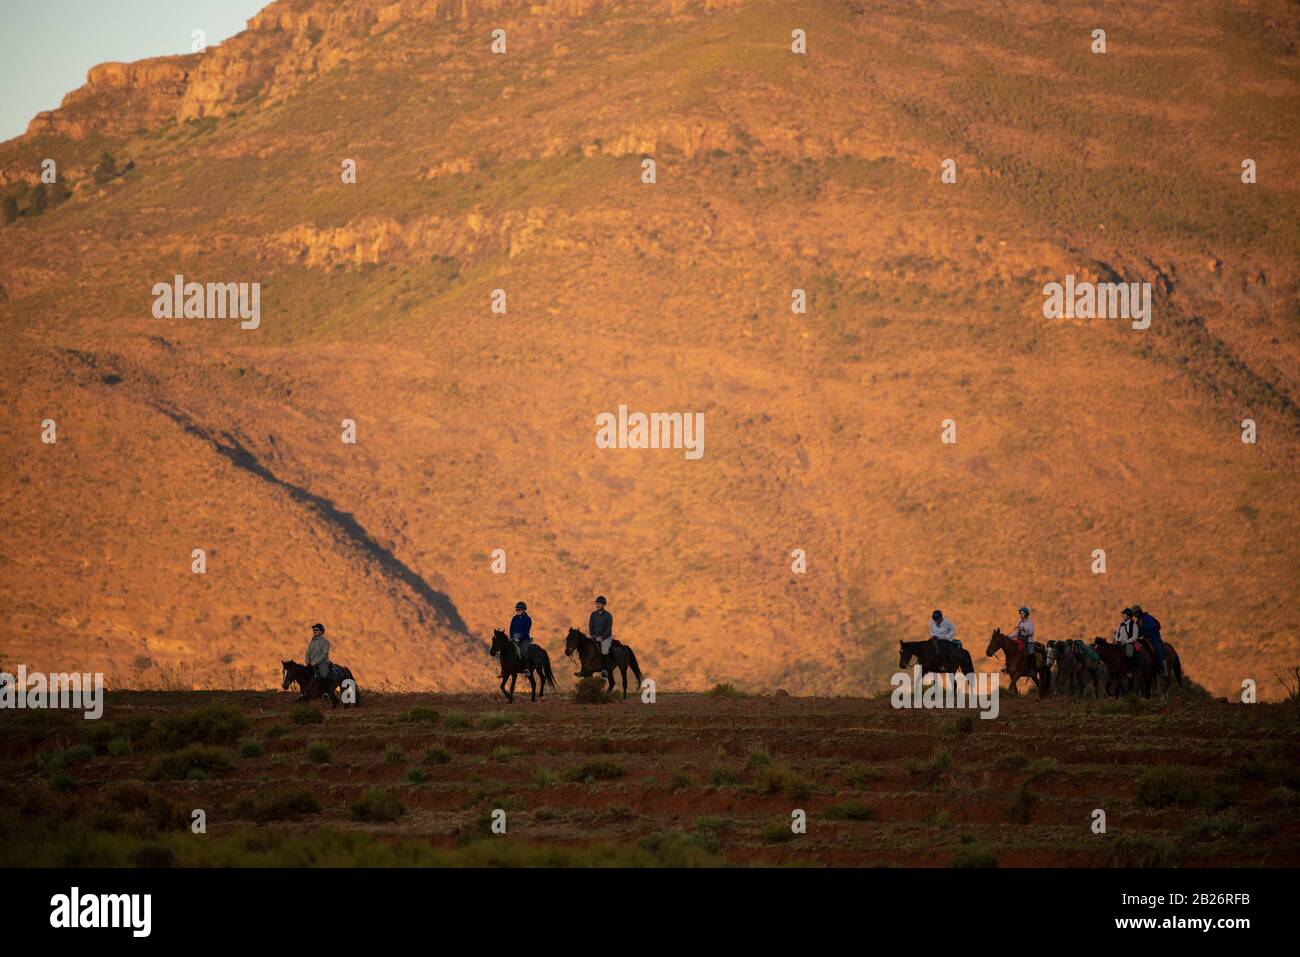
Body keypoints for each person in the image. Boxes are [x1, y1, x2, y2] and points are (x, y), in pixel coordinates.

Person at [1132, 604, 1166, 675]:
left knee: (1158, 650)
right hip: (1146, 638)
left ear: (1139, 612)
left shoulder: (1147, 617)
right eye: (1134, 614)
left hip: (1154, 637)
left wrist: (1144, 627)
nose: (1135, 615)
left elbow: (1156, 625)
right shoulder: (1138, 622)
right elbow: (1140, 632)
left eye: (1136, 613)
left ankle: (1164, 669)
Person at [589, 595, 614, 676]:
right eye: (596, 603)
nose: (597, 605)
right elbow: (591, 626)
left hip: (605, 637)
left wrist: (602, 638)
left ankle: (605, 670)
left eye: (599, 604)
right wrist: (592, 635)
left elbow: (608, 628)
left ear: (603, 605)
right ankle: (585, 668)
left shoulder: (608, 616)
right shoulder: (593, 614)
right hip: (595, 636)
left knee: (604, 650)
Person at [305, 623, 331, 693]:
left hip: (322, 663)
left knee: (323, 674)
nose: (314, 631)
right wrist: (307, 660)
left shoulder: (325, 642)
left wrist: (316, 662)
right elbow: (308, 652)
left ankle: (326, 692)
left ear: (321, 632)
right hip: (311, 663)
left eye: (316, 630)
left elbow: (324, 654)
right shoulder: (311, 642)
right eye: (313, 630)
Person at [510, 601, 533, 669]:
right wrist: (512, 637)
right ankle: (504, 670)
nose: (517, 611)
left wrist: (519, 638)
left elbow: (526, 631)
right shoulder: (514, 618)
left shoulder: (528, 619)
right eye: (516, 609)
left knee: (523, 651)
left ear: (523, 610)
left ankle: (526, 668)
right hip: (514, 638)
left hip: (524, 639)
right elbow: (511, 629)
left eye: (519, 609)